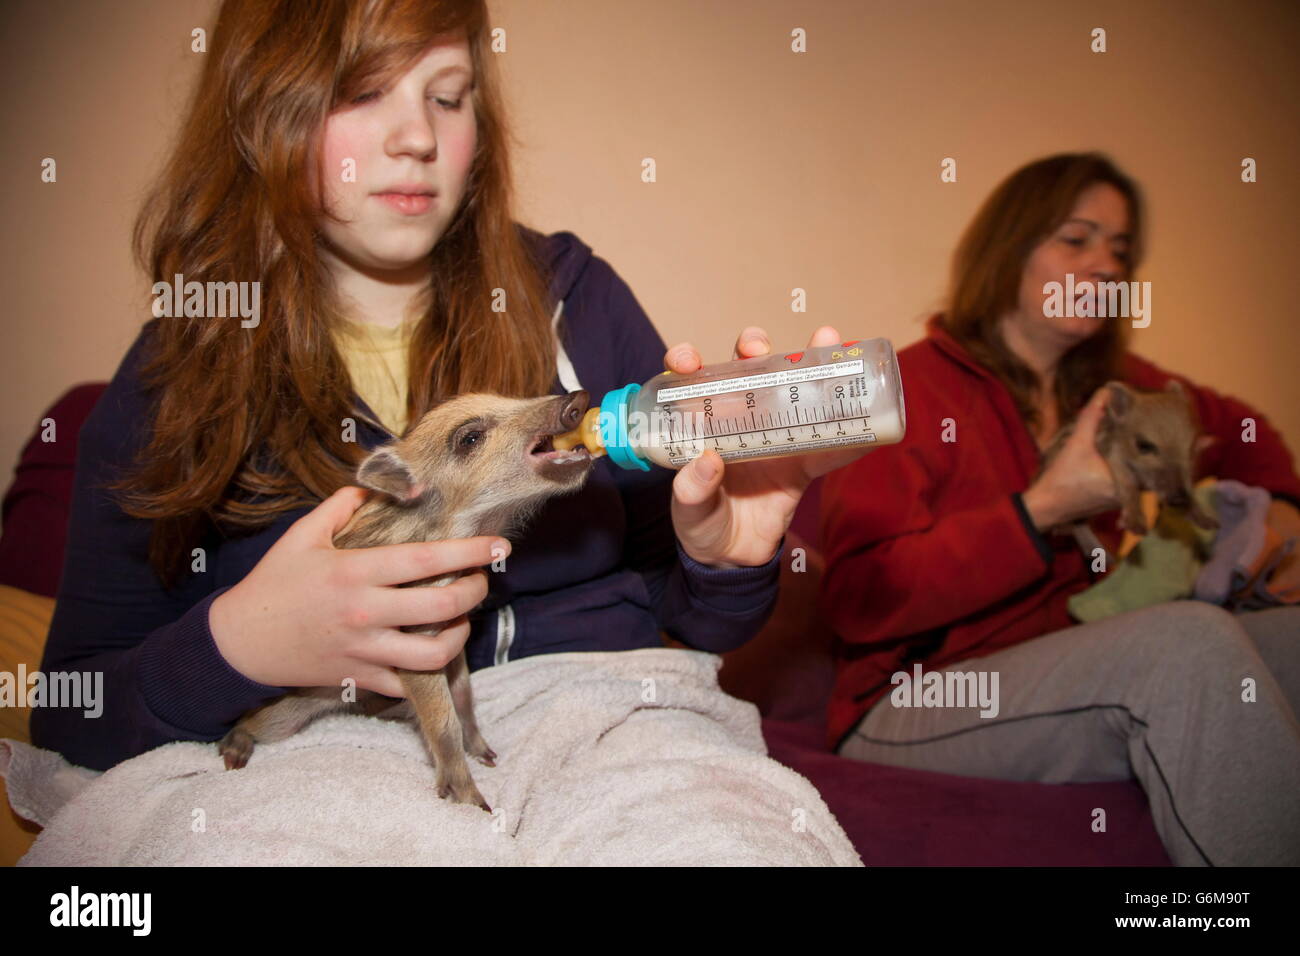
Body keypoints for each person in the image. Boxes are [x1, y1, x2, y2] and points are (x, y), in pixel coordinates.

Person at [28, 0, 865, 863]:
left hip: (610, 716)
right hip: (328, 745)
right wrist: (240, 642)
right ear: (262, 114)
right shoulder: (181, 371)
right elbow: (71, 711)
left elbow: (698, 622)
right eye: (361, 92)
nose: (417, 138)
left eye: (449, 95)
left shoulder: (576, 298)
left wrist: (727, 560)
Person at [819, 152, 1300, 866]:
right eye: (1076, 239)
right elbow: (861, 600)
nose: (1106, 265)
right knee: (1188, 644)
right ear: (1008, 252)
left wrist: (1285, 512)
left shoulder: (1117, 390)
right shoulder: (905, 387)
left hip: (1067, 664)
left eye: (1120, 249)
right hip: (912, 698)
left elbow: (1244, 430)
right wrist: (1037, 510)